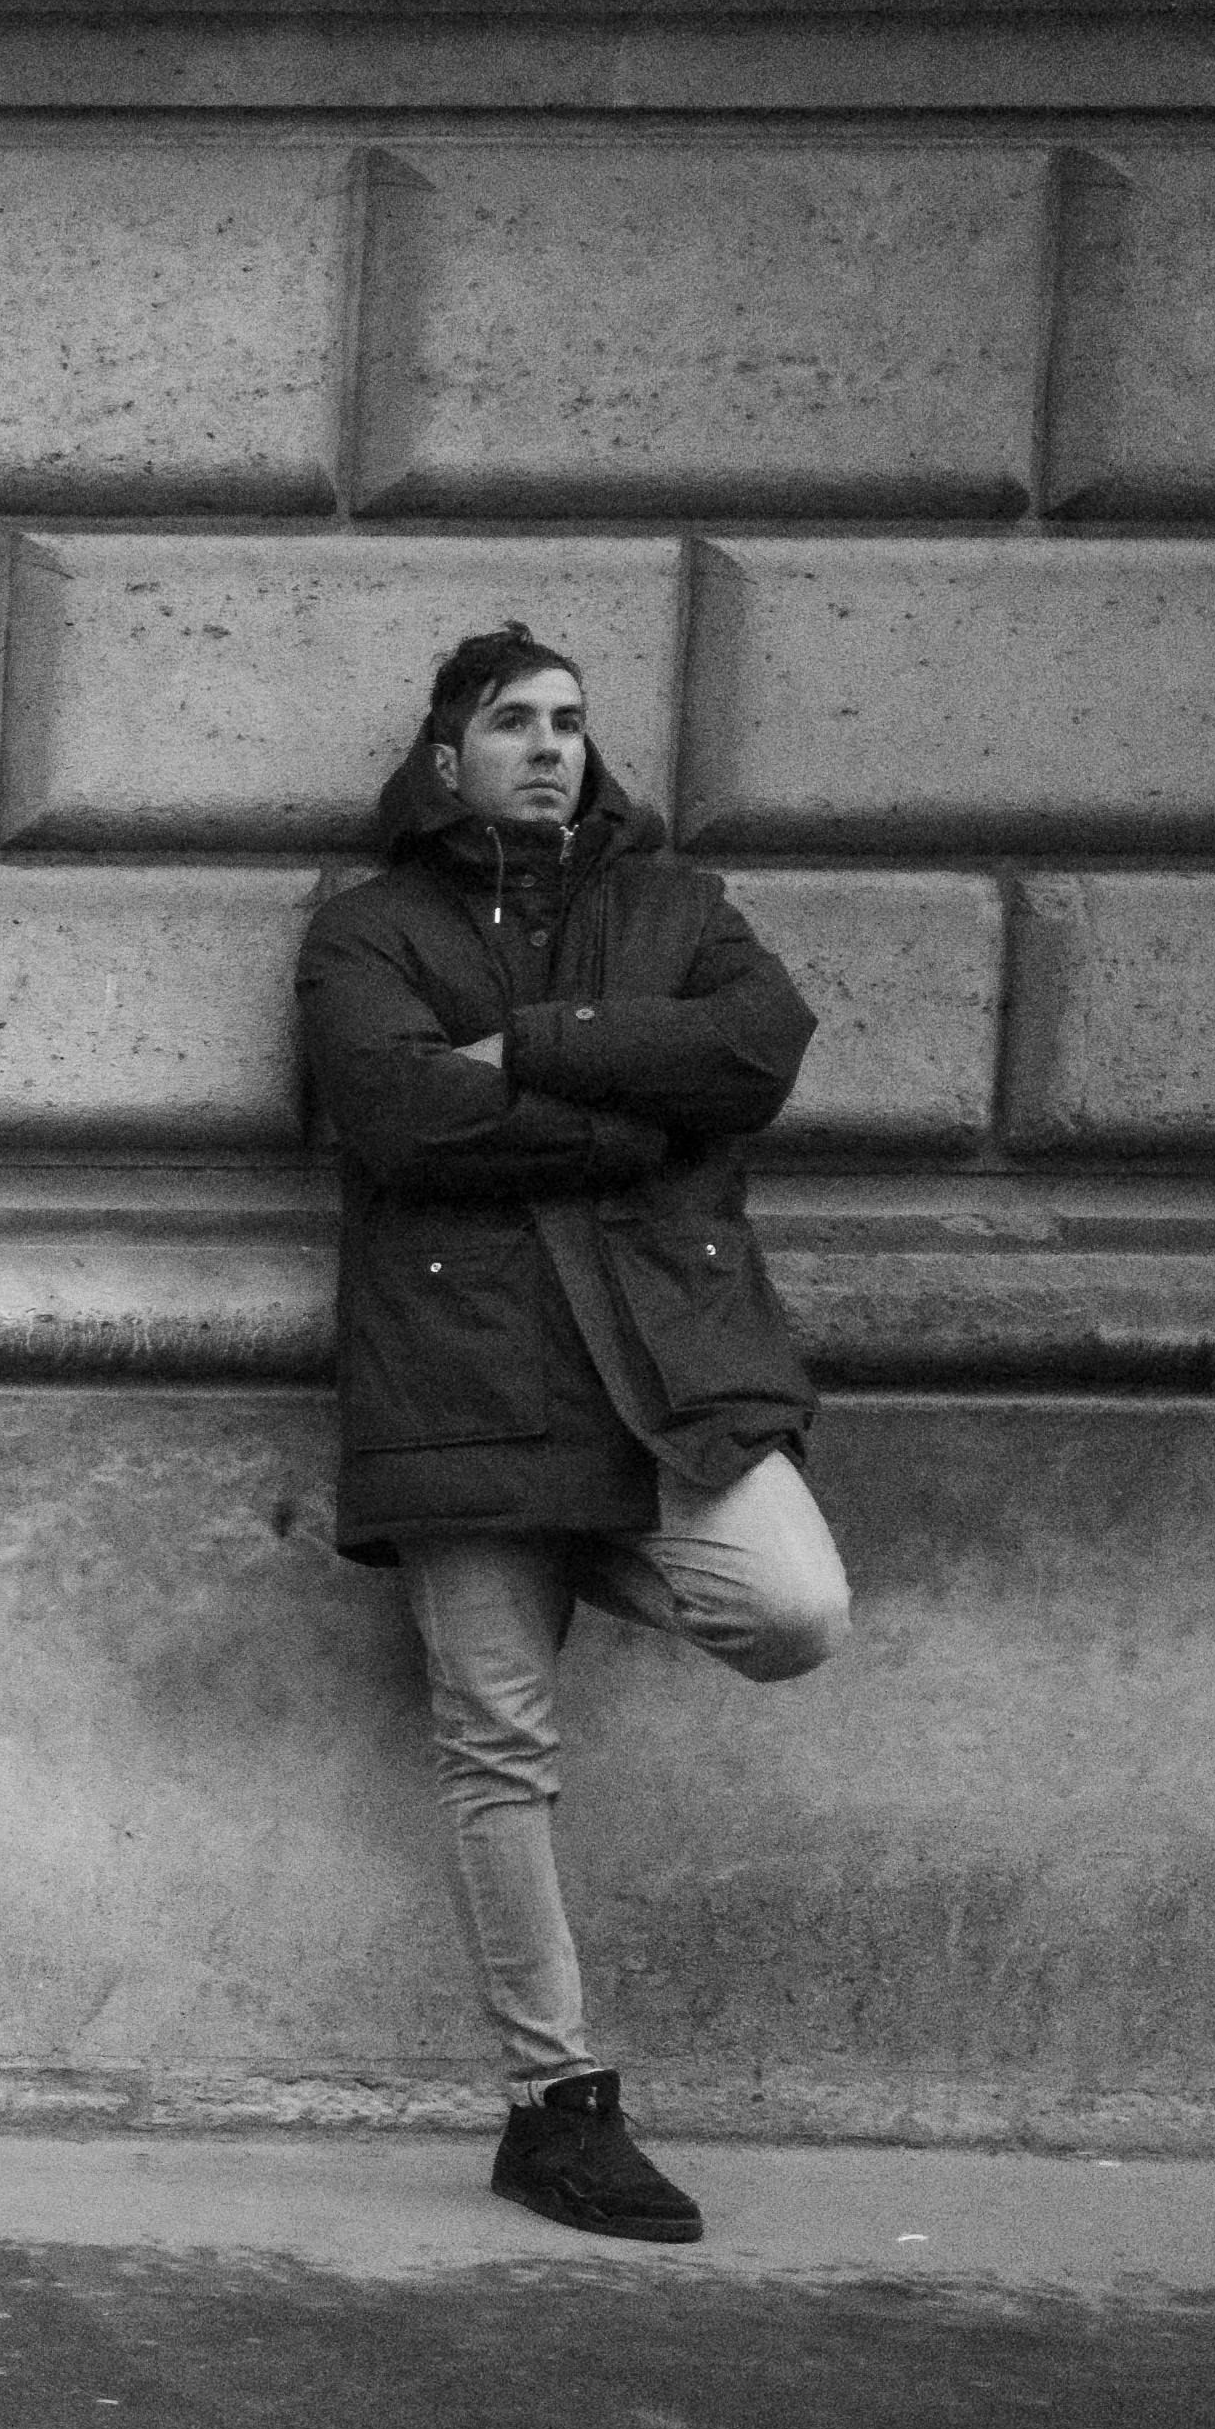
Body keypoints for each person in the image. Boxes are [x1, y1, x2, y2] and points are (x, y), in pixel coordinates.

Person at [293, 623, 850, 2244]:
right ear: (445, 753)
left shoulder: (676, 911)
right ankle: (556, 2104)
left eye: (573, 724)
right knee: (499, 1742)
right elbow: (397, 1111)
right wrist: (641, 1113)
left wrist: (531, 1047)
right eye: (514, 723)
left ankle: (592, 1542)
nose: (552, 748)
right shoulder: (367, 931)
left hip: (659, 1371)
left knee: (793, 1608)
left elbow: (759, 1050)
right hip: (458, 1384)